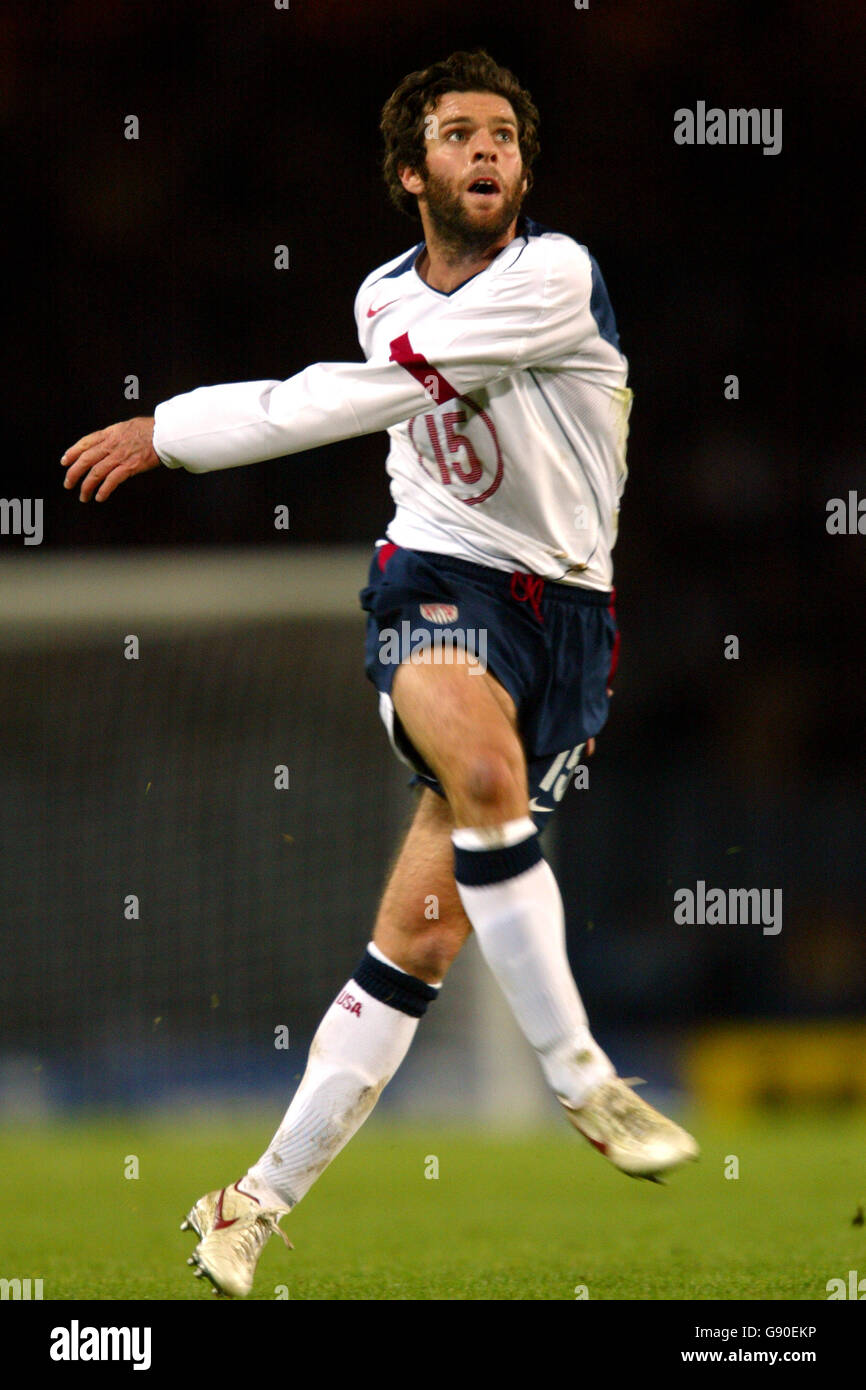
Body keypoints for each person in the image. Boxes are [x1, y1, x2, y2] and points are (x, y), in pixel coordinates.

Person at [61, 49, 698, 1299]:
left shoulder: (555, 276)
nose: (487, 153)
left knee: (415, 941)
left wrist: (175, 428)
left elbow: (356, 398)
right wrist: (173, 432)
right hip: (437, 586)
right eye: (459, 135)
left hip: (567, 619)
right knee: (476, 764)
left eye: (504, 136)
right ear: (412, 171)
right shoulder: (377, 293)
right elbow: (372, 406)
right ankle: (583, 1079)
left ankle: (246, 1204)